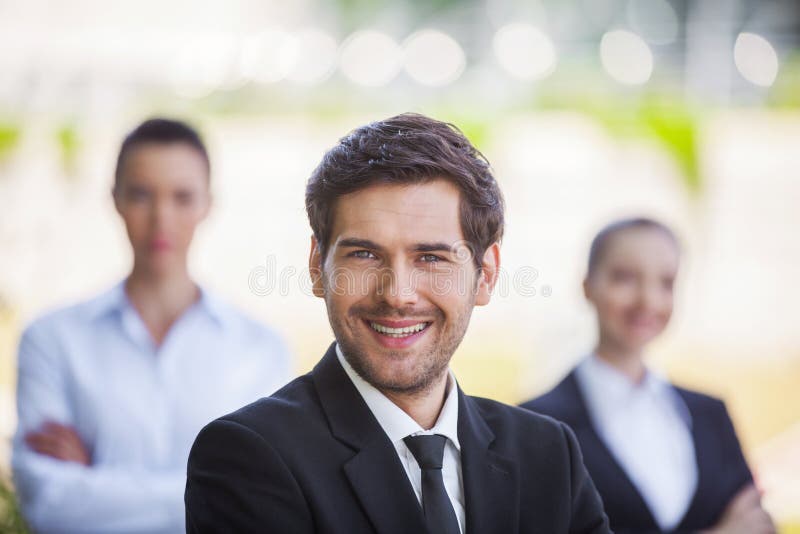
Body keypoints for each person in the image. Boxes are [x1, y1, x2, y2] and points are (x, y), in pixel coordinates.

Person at [185, 113, 610, 533]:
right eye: (364, 255)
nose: (397, 294)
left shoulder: (550, 455)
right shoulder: (247, 456)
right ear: (318, 267)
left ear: (487, 275)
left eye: (431, 257)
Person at [12, 118, 292, 534]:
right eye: (142, 194)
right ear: (116, 199)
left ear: (207, 204)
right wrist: (215, 492)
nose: (162, 217)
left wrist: (94, 482)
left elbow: (264, 502)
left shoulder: (260, 349)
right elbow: (49, 504)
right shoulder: (51, 339)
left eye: (182, 196)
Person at [520, 218, 776, 534]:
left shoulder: (711, 414)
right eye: (625, 278)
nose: (648, 300)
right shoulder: (534, 424)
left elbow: (758, 526)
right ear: (587, 286)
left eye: (666, 282)